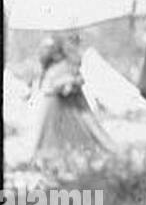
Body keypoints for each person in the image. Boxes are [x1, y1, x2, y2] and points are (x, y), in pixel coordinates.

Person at [29, 35, 117, 168]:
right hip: (55, 103)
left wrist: (71, 82)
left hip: (62, 104)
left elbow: (67, 84)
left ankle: (53, 161)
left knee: (57, 135)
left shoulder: (63, 67)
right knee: (52, 135)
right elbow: (57, 86)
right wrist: (69, 83)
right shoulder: (59, 68)